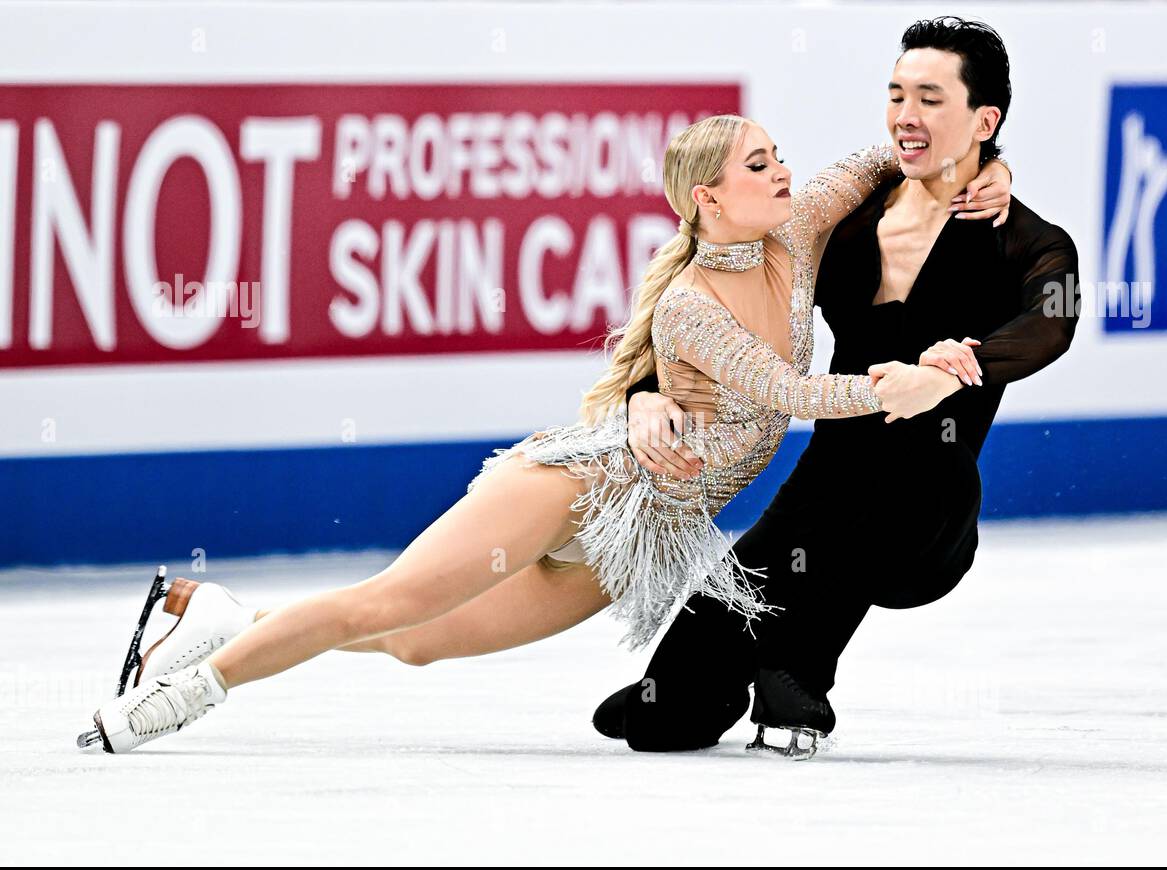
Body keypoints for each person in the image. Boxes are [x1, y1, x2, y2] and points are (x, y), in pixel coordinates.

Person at [76, 110, 1012, 755]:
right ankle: (166, 706)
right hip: (578, 486)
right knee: (384, 604)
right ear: (707, 202)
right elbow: (787, 391)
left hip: (636, 542)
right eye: (758, 164)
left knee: (416, 642)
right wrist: (907, 387)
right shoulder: (690, 304)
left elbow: (879, 159)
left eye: (777, 155)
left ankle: (224, 619)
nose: (782, 171)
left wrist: (988, 166)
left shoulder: (799, 232)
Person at [594, 16, 1081, 757]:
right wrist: (650, 392)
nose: (905, 116)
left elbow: (1053, 323)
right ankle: (701, 680)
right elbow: (724, 299)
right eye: (894, 95)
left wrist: (952, 369)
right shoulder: (846, 226)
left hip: (929, 512)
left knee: (874, 493)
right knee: (667, 722)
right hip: (817, 498)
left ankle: (795, 668)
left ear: (986, 120)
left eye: (928, 97)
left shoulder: (1031, 243)